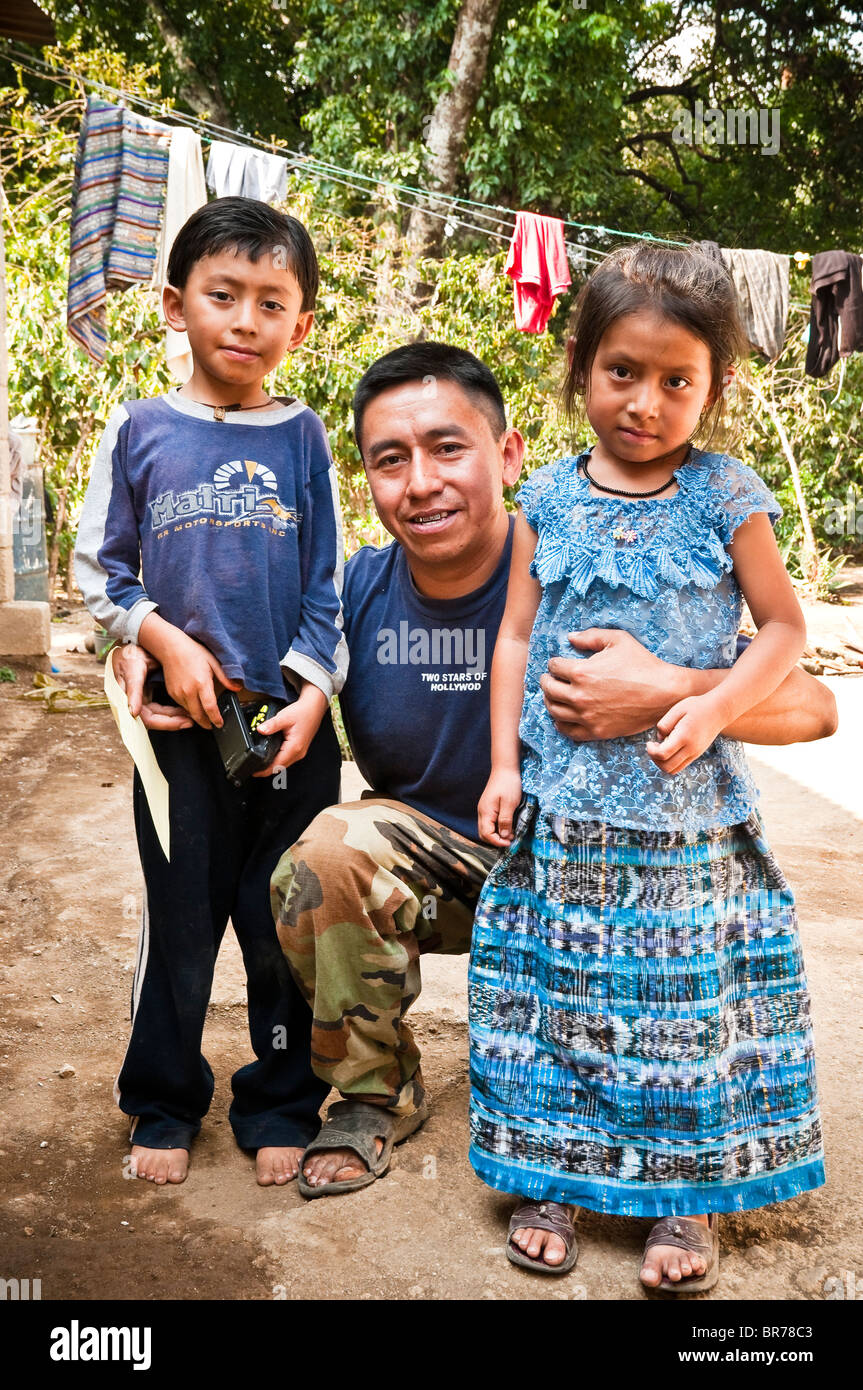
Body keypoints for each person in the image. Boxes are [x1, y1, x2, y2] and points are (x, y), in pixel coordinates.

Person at [114, 342, 836, 1203]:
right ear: (367, 480)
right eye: (391, 459)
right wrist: (131, 645)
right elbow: (223, 639)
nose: (419, 483)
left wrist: (668, 691)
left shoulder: (577, 566)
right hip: (441, 868)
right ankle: (377, 1093)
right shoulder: (344, 599)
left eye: (447, 448)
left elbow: (815, 708)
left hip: (588, 873)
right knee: (325, 855)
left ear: (509, 455)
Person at [470, 243, 827, 1288]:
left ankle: (684, 1204)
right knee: (565, 999)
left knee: (682, 1019)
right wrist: (502, 766)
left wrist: (710, 704)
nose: (645, 401)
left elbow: (782, 630)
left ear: (715, 387)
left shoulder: (725, 494)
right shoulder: (543, 493)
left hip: (684, 820)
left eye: (678, 380)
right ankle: (557, 1175)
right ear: (579, 363)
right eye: (622, 370)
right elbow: (510, 640)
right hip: (566, 810)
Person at [74, 197, 347, 1187]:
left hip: (289, 731)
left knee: (284, 920)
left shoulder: (304, 438)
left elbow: (326, 589)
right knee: (179, 915)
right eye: (222, 294)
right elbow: (99, 570)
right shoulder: (140, 429)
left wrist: (314, 696)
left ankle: (280, 1099)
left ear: (300, 325)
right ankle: (163, 1099)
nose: (243, 319)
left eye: (270, 302)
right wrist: (157, 635)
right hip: (177, 735)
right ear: (173, 303)